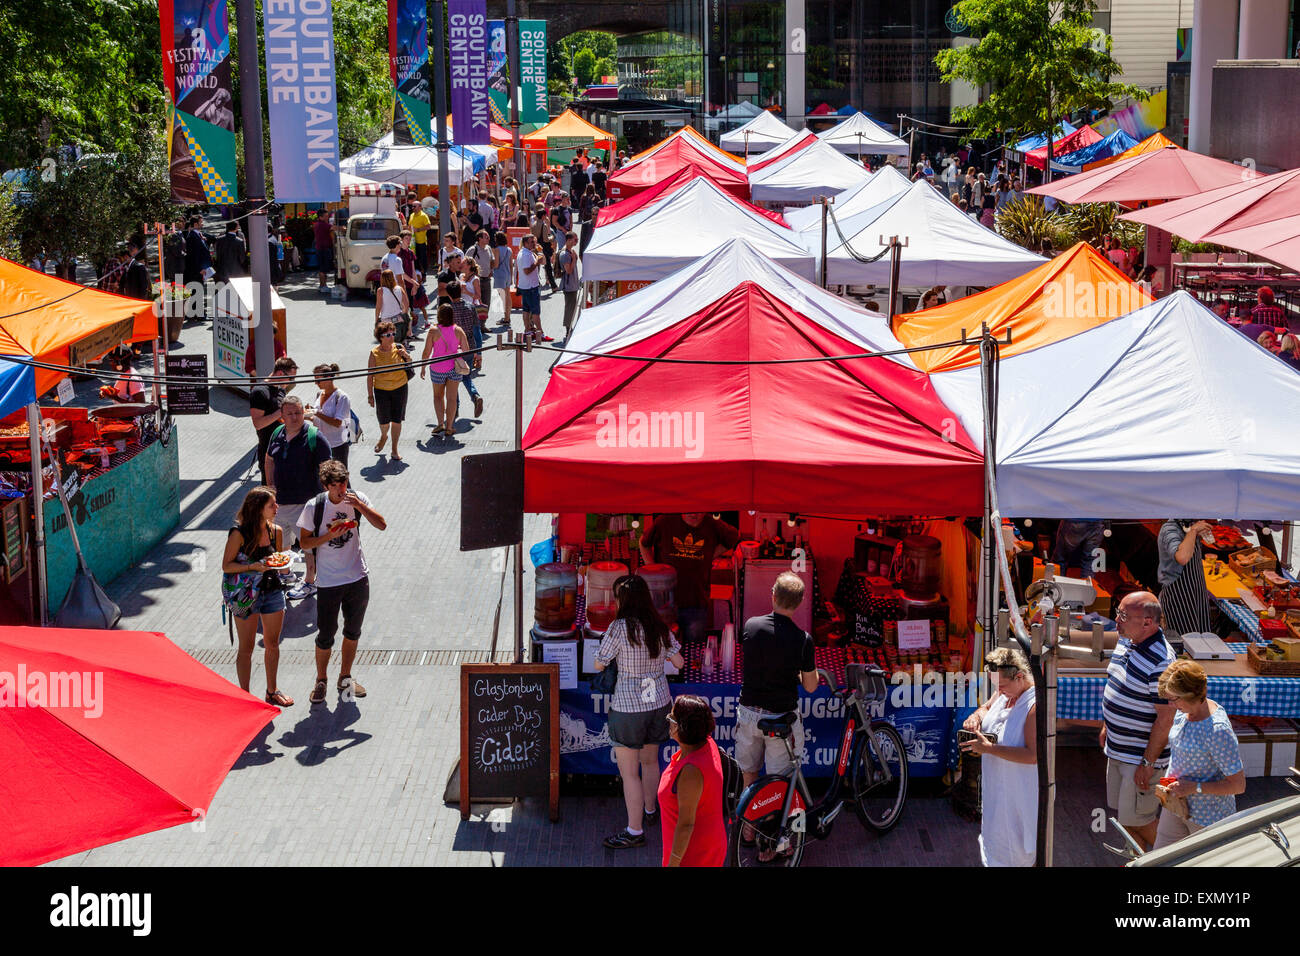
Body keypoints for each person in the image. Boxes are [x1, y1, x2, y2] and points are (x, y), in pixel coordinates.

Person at [594, 575, 685, 850]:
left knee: (629, 773)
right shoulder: (659, 626)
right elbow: (679, 662)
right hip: (659, 704)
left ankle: (634, 831)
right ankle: (650, 810)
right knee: (650, 761)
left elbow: (599, 664)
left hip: (628, 708)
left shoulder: (618, 628)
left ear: (622, 600)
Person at [735, 572, 818, 861]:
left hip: (748, 714)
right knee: (777, 783)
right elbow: (810, 685)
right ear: (799, 603)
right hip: (780, 718)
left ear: (773, 595)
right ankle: (769, 847)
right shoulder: (802, 639)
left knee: (749, 773)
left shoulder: (751, 625)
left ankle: (747, 829)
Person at [298, 460, 386, 705]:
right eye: (335, 485)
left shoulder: (356, 498)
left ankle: (345, 677)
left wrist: (359, 506)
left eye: (344, 483)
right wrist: (328, 536)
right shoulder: (314, 506)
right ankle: (321, 680)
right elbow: (304, 543)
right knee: (325, 634)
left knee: (353, 631)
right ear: (326, 485)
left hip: (357, 577)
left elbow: (382, 525)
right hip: (328, 581)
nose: (341, 489)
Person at [1101, 590, 1176, 852]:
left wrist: (1148, 763)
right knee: (1126, 817)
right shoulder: (1126, 641)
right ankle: (1140, 859)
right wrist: (1107, 726)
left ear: (1147, 622)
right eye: (1117, 613)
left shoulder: (1162, 661)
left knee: (1139, 819)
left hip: (1138, 759)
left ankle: (1178, 858)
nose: (1117, 620)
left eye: (1123, 615)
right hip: (1119, 750)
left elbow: (1166, 719)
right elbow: (1117, 682)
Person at [1152, 659, 1246, 849]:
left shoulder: (1217, 730)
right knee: (1160, 857)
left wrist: (1195, 787)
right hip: (1175, 804)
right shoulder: (1183, 711)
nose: (1170, 704)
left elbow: (1238, 785)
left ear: (1192, 695)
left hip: (1207, 817)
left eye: (1174, 699)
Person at [960, 646, 1039, 867]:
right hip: (997, 789)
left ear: (1020, 677)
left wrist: (990, 749)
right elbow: (987, 706)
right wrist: (976, 716)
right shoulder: (1005, 691)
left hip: (1020, 794)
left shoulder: (1033, 707)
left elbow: (1033, 756)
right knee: (996, 841)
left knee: (1018, 849)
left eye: (1002, 686)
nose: (999, 691)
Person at [222, 486, 294, 707]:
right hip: (246, 594)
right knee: (247, 647)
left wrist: (286, 564)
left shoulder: (276, 531)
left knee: (272, 643)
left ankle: (272, 691)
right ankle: (244, 696)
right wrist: (252, 566)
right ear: (258, 508)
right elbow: (227, 565)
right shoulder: (239, 533)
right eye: (271, 505)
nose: (276, 507)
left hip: (272, 590)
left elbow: (278, 561)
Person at [265, 394, 332, 601]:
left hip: (304, 504)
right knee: (281, 542)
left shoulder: (315, 437)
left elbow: (327, 470)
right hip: (279, 503)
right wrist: (270, 487)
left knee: (308, 545)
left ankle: (310, 581)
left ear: (304, 412)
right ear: (282, 416)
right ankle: (286, 574)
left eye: (298, 412)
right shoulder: (277, 433)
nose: (294, 417)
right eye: (290, 413)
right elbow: (268, 460)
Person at [639, 513, 740, 641]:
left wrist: (709, 556)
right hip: (663, 602)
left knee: (694, 648)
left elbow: (734, 537)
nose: (694, 514)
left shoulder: (712, 524)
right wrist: (653, 569)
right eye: (689, 510)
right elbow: (644, 543)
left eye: (699, 510)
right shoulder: (664, 521)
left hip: (696, 601)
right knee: (662, 647)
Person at [659, 694, 727, 867]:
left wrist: (672, 863)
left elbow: (686, 824)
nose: (669, 721)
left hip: (692, 854)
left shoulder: (691, 771)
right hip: (701, 845)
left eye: (671, 718)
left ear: (681, 728)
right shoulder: (706, 743)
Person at [1156, 519, 1215, 639]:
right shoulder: (1170, 529)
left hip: (1196, 593)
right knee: (1185, 643)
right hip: (1179, 597)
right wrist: (1193, 531)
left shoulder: (1187, 527)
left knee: (1201, 641)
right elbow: (1182, 557)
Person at [420, 303, 470, 438]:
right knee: (452, 398)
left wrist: (423, 367)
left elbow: (426, 352)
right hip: (454, 368)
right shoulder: (458, 330)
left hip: (437, 368)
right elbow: (466, 350)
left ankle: (440, 423)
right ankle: (449, 427)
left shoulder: (433, 331)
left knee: (438, 396)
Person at [249, 355, 298, 487]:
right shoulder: (260, 392)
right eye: (291, 378)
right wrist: (280, 412)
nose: (291, 382)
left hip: (285, 449)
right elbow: (258, 424)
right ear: (280, 373)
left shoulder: (280, 390)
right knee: (271, 491)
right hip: (269, 452)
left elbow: (280, 418)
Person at [367, 320, 412, 460]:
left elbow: (410, 363)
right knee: (384, 421)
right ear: (380, 337)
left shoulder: (398, 348)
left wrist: (406, 355)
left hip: (400, 387)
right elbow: (369, 375)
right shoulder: (374, 353)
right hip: (381, 390)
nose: (392, 337)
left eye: (393, 333)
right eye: (388, 334)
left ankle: (394, 449)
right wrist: (370, 395)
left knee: (397, 420)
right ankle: (384, 436)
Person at [446, 280, 486, 417]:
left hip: (454, 349)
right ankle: (475, 395)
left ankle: (455, 408)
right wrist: (478, 352)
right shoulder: (470, 307)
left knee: (452, 379)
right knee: (466, 376)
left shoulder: (448, 310)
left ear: (449, 295)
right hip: (469, 347)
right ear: (461, 291)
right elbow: (477, 331)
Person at [306, 363, 352, 468]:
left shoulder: (342, 397)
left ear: (328, 378)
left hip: (337, 445)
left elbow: (337, 423)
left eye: (318, 380)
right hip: (320, 443)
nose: (315, 383)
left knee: (339, 477)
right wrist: (307, 416)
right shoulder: (319, 394)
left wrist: (316, 412)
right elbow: (318, 419)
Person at [515, 233, 547, 339]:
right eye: (531, 242)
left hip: (527, 286)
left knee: (526, 310)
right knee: (535, 311)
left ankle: (528, 331)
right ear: (525, 243)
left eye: (534, 241)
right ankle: (540, 333)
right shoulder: (526, 254)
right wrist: (537, 262)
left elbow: (544, 262)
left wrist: (540, 252)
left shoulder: (528, 253)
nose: (534, 243)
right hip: (530, 287)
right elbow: (527, 270)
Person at [374, 268, 411, 345]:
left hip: (386, 321)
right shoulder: (399, 288)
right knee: (399, 340)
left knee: (387, 343)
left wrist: (377, 319)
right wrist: (404, 313)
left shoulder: (381, 290)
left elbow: (378, 306)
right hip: (398, 318)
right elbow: (406, 303)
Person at [557, 231, 581, 334]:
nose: (577, 241)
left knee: (572, 306)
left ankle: (569, 327)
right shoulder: (565, 254)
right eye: (575, 239)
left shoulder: (570, 251)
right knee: (569, 308)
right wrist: (574, 260)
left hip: (572, 285)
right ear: (569, 240)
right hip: (569, 286)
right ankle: (568, 329)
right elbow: (569, 270)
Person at [530, 204, 558, 292]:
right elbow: (546, 239)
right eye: (545, 215)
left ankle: (535, 284)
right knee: (548, 267)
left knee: (536, 266)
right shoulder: (544, 225)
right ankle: (553, 286)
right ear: (543, 216)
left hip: (536, 247)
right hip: (544, 248)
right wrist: (552, 237)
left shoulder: (533, 225)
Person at [468, 229, 495, 317]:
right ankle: (476, 325)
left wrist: (491, 270)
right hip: (476, 280)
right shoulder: (473, 249)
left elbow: (492, 260)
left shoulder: (489, 248)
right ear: (479, 239)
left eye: (488, 237)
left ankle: (483, 324)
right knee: (476, 303)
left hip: (486, 279)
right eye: (486, 237)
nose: (488, 238)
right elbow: (465, 263)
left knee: (486, 302)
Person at [184, 215, 214, 287]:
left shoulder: (198, 234)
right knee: (197, 293)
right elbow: (193, 255)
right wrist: (200, 269)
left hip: (201, 270)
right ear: (195, 224)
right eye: (201, 222)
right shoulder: (192, 236)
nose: (202, 224)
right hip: (196, 271)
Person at [492, 231, 514, 328]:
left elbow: (496, 264)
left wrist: (490, 264)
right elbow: (511, 265)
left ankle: (506, 318)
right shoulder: (509, 249)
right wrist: (512, 277)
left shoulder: (497, 250)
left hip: (500, 274)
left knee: (502, 298)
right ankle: (507, 317)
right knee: (508, 296)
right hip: (508, 274)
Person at [313, 210, 335, 291]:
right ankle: (323, 286)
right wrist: (343, 228)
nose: (327, 217)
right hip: (323, 249)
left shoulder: (318, 224)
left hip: (321, 248)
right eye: (325, 216)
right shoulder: (322, 224)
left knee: (323, 268)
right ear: (320, 217)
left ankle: (322, 285)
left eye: (327, 216)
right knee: (323, 269)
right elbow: (333, 228)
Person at [408, 202, 432, 274]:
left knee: (422, 258)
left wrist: (418, 229)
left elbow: (428, 226)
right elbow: (409, 226)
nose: (413, 208)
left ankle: (424, 272)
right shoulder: (412, 215)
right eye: (412, 206)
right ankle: (416, 272)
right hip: (412, 240)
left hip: (421, 240)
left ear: (420, 207)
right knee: (415, 257)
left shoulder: (423, 215)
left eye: (414, 206)